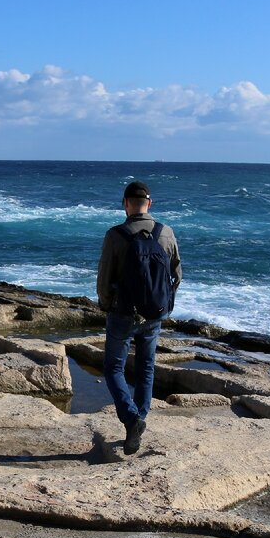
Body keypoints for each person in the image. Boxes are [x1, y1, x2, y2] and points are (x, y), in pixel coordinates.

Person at [96, 180, 182, 454]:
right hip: (154, 314)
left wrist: (106, 304)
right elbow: (176, 275)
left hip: (122, 312)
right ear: (149, 203)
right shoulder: (165, 233)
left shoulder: (116, 235)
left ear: (125, 204)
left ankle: (132, 419)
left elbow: (104, 277)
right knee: (146, 367)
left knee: (113, 368)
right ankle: (139, 419)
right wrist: (162, 305)